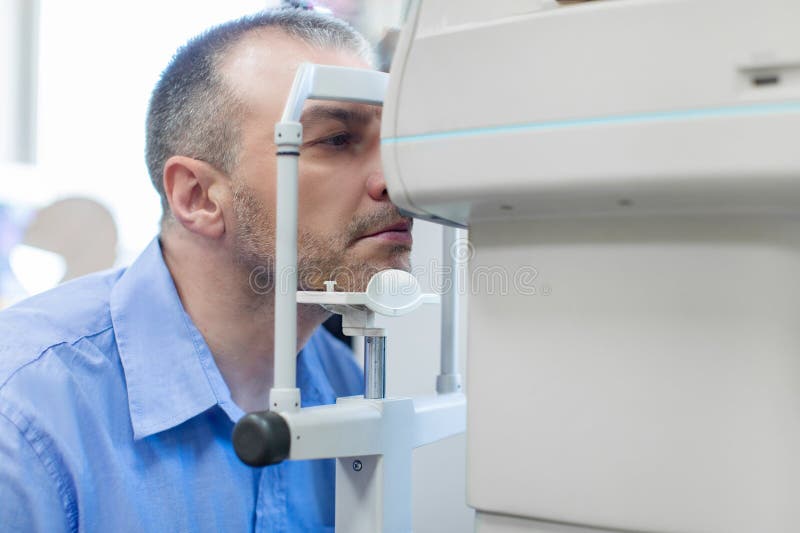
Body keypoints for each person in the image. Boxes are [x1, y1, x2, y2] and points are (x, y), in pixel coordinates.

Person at [0, 7, 412, 532]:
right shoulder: (25, 414)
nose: (394, 182)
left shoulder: (342, 380)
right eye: (336, 139)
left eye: (391, 142)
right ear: (197, 198)